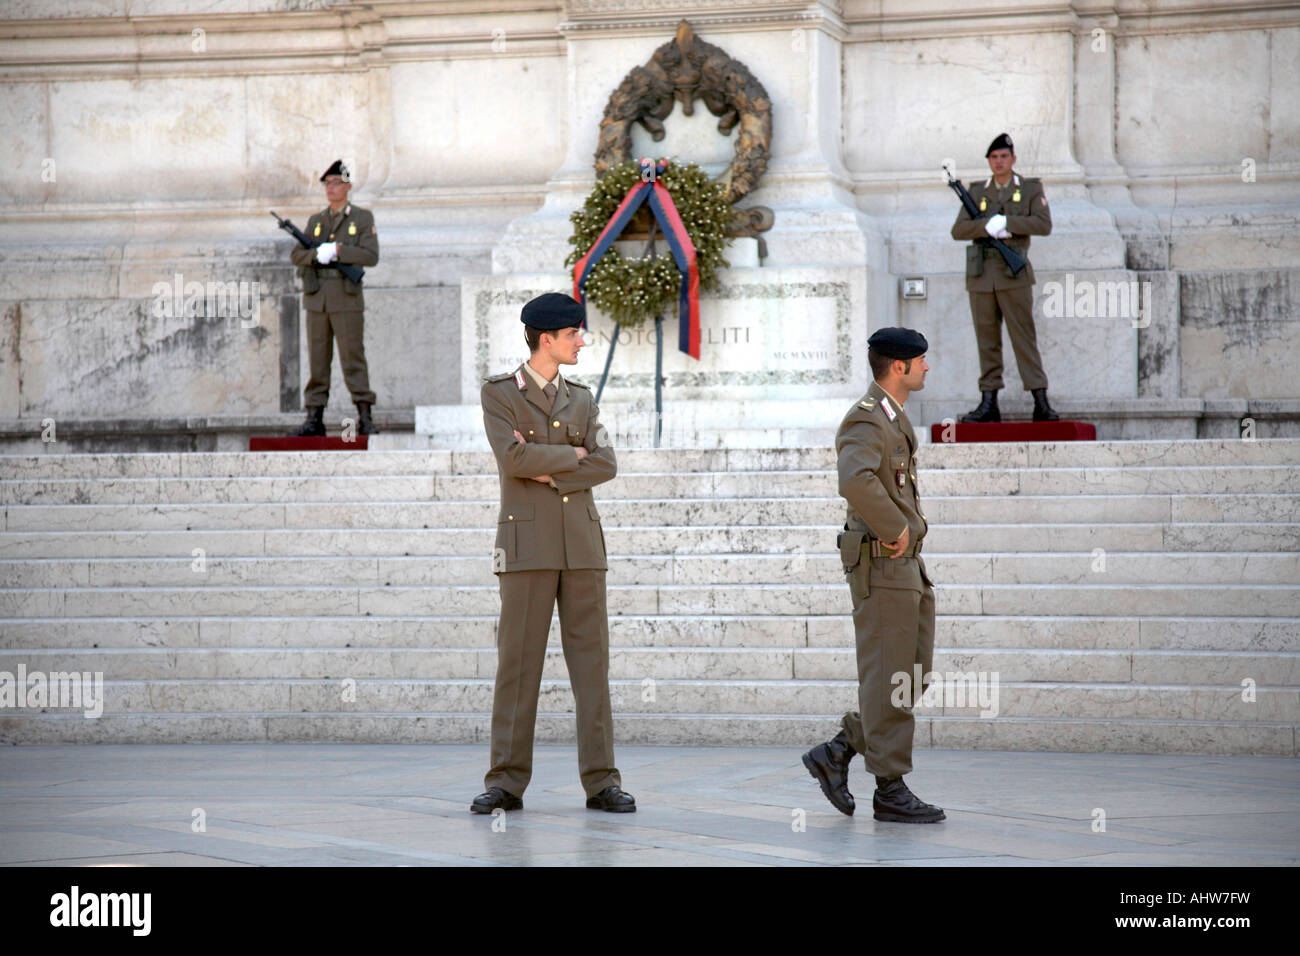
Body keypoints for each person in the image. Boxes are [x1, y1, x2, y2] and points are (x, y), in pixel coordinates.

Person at [471, 292, 635, 815]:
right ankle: (506, 781)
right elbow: (512, 457)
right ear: (548, 339)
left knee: (593, 667)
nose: (582, 342)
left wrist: (549, 463)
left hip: (582, 546)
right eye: (574, 335)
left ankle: (602, 781)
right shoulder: (500, 394)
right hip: (527, 546)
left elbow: (606, 463)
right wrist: (572, 454)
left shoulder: (582, 398)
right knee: (517, 667)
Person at [802, 327, 945, 823]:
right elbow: (854, 479)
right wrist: (897, 527)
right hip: (883, 564)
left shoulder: (891, 417)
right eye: (922, 361)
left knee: (912, 673)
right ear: (898, 367)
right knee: (892, 677)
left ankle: (840, 749)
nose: (928, 367)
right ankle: (890, 788)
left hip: (905, 566)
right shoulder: (866, 420)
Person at [951, 132, 1058, 423]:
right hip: (982, 276)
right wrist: (986, 227)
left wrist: (1008, 224)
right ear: (989, 161)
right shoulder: (975, 192)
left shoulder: (1030, 188)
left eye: (1004, 157)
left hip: (1015, 274)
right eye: (994, 158)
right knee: (987, 340)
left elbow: (1043, 224)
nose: (999, 162)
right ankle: (989, 402)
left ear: (1013, 159)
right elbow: (958, 230)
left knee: (1024, 337)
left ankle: (1040, 400)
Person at [288, 159, 381, 436]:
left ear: (348, 186)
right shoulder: (317, 221)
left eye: (336, 183)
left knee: (353, 359)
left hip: (346, 298)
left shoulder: (362, 218)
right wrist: (316, 255)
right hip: (317, 300)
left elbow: (370, 256)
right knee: (318, 361)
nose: (331, 188)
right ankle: (314, 418)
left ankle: (365, 417)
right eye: (327, 183)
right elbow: (296, 255)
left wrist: (339, 251)